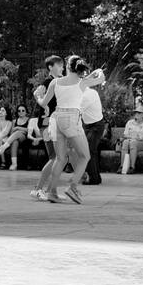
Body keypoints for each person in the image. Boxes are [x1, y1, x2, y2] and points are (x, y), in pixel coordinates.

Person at [37, 54, 105, 203]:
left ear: (68, 66)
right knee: (85, 156)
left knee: (60, 159)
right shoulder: (82, 82)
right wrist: (99, 71)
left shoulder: (55, 82)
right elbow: (101, 79)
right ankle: (72, 187)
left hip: (57, 119)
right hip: (71, 119)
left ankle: (52, 192)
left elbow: (43, 103)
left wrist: (37, 96)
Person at [79, 74, 106, 185]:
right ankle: (95, 177)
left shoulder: (87, 95)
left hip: (96, 126)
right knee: (91, 151)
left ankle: (94, 178)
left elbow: (76, 112)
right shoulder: (85, 92)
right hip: (88, 125)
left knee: (89, 151)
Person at [119, 103, 143, 174]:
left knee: (133, 142)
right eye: (135, 112)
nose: (136, 114)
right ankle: (122, 167)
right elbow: (125, 134)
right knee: (125, 142)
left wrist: (138, 138)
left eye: (139, 113)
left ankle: (132, 167)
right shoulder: (130, 122)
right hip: (130, 141)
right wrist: (132, 137)